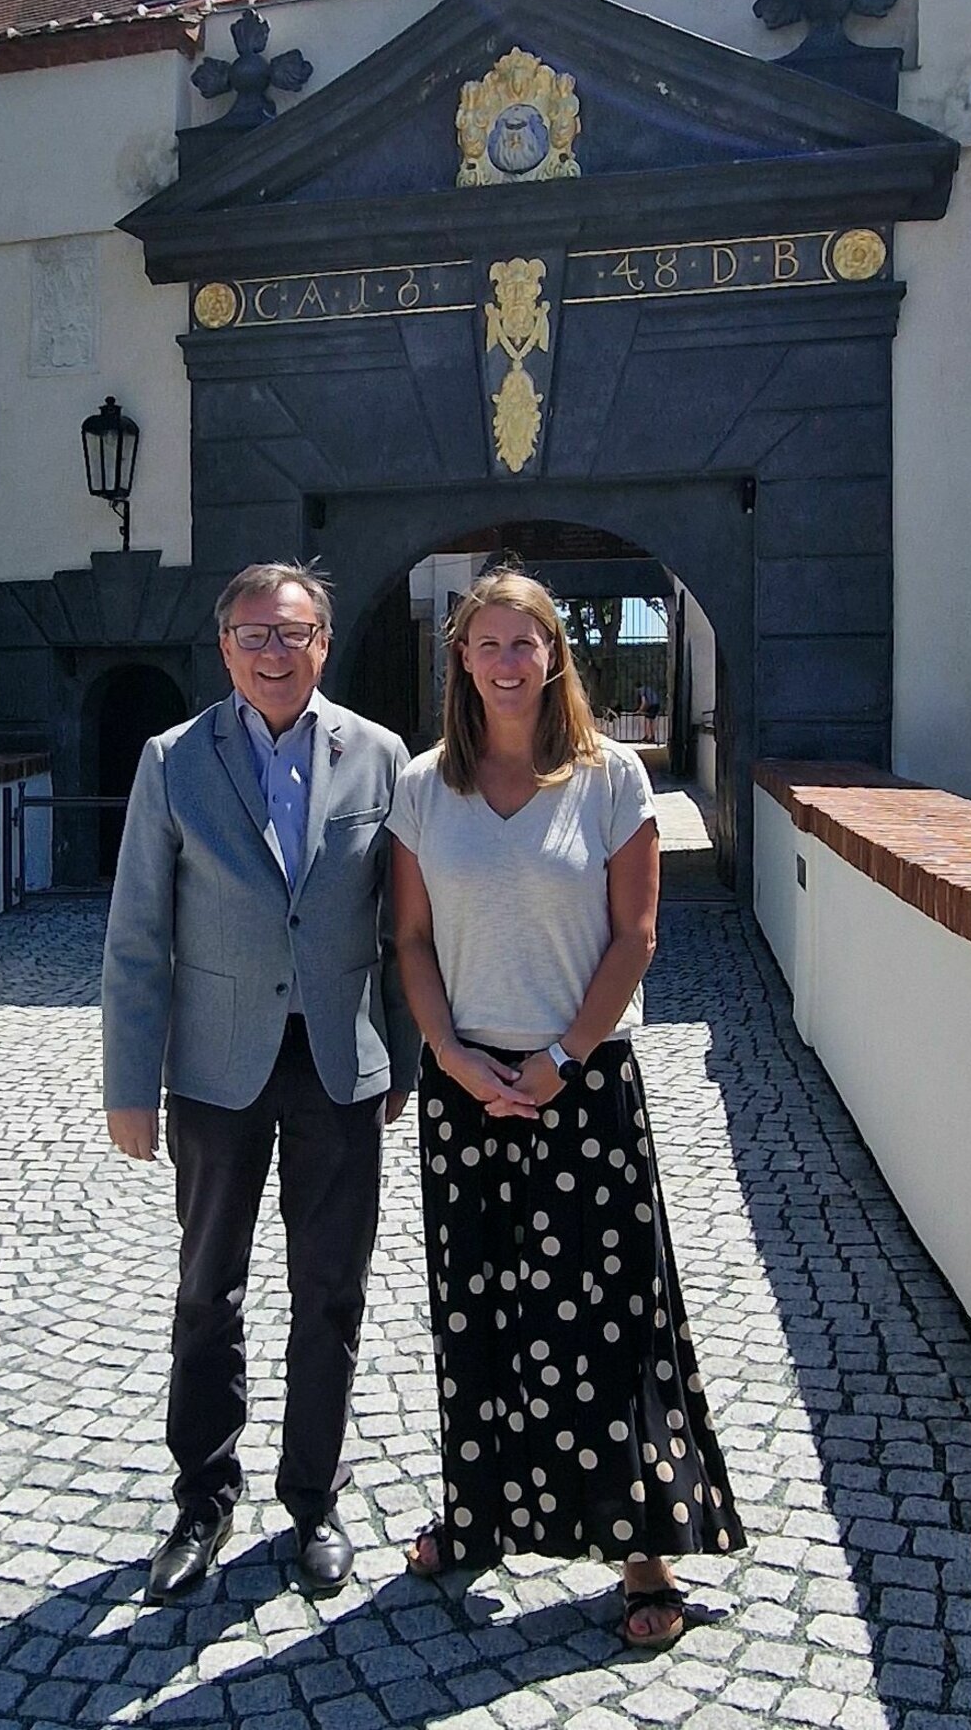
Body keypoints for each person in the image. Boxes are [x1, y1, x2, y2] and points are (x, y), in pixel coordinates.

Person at [384, 567, 745, 1650]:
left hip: (579, 1086)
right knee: (476, 1307)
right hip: (462, 1087)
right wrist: (445, 1049)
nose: (504, 662)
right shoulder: (420, 786)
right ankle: (480, 1506)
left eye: (522, 644)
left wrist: (559, 1055)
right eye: (485, 643)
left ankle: (641, 1544)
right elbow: (407, 936)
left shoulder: (607, 778)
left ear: (553, 656)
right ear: (460, 658)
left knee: (610, 1316)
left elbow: (634, 934)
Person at [102, 561, 418, 1602]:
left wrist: (403, 1057)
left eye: (290, 634)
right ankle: (201, 1494)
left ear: (322, 642)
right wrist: (127, 1083)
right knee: (207, 1290)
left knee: (331, 1290)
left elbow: (400, 923)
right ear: (224, 644)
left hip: (337, 1057)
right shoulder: (172, 758)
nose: (272, 653)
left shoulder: (378, 756)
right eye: (252, 634)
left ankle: (313, 1497)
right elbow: (137, 932)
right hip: (214, 1065)